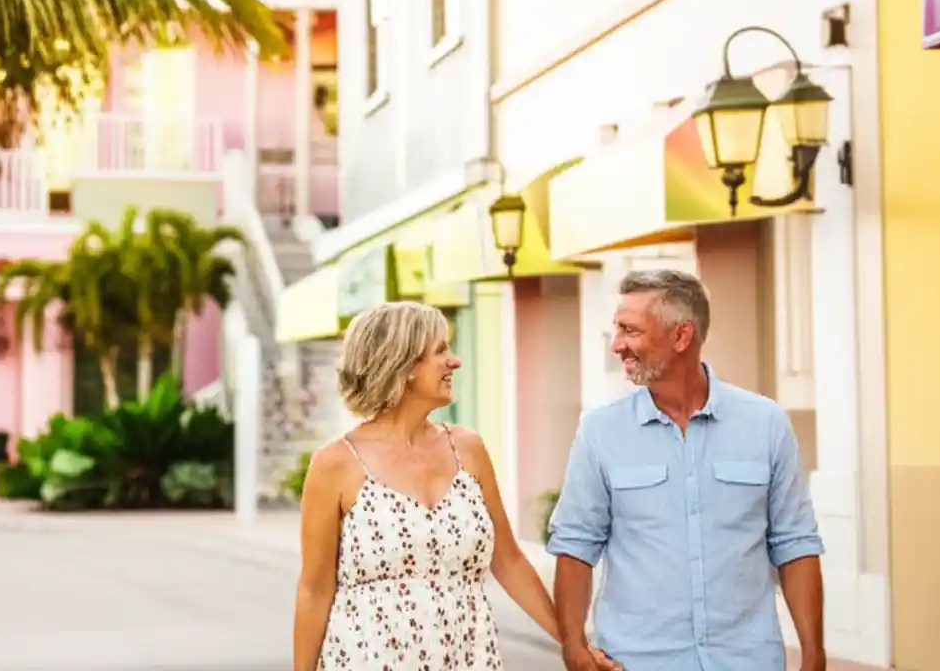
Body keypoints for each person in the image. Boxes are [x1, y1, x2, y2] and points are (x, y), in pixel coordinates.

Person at [293, 301, 618, 670]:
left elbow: (509, 561)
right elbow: (315, 590)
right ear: (403, 364)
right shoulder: (336, 463)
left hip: (467, 657)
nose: (455, 361)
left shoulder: (467, 448)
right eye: (440, 350)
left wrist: (573, 642)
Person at [548, 269, 827, 671]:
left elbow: (796, 544)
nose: (618, 346)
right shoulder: (600, 430)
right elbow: (575, 544)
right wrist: (573, 646)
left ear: (681, 336)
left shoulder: (765, 424)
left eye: (630, 331)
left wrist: (814, 656)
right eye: (617, 330)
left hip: (747, 660)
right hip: (637, 662)